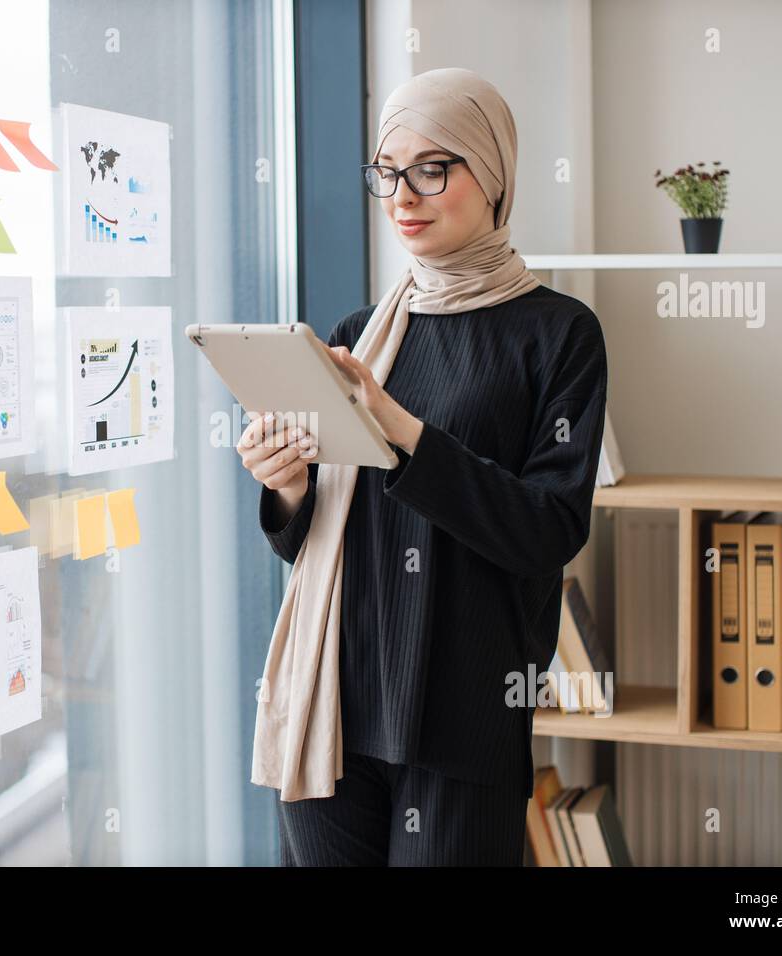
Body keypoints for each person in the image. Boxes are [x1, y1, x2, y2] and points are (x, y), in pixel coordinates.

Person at [236, 67, 608, 866]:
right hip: (329, 702)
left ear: (494, 176)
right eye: (389, 172)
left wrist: (400, 426)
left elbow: (549, 530)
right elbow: (324, 537)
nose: (404, 193)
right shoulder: (362, 329)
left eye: (433, 168)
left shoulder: (559, 334)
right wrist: (288, 486)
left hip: (461, 713)